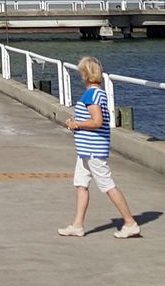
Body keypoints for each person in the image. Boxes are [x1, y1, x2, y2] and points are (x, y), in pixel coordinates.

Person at [57, 55, 141, 239]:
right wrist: (76, 123)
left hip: (93, 149)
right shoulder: (99, 93)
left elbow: (97, 121)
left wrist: (76, 124)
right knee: (81, 184)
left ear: (85, 74)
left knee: (108, 185)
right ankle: (77, 225)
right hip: (86, 150)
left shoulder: (92, 94)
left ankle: (130, 222)